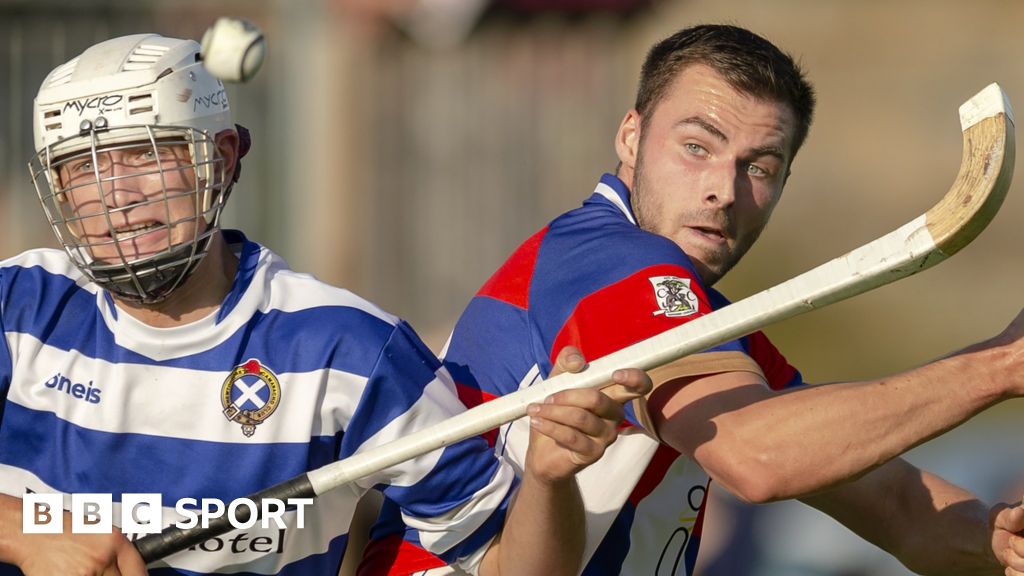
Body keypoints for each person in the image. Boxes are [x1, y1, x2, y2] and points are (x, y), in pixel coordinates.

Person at [362, 24, 1024, 576]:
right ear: (630, 137)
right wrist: (999, 366)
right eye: (696, 147)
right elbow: (755, 458)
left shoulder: (704, 321)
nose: (724, 191)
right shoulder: (615, 266)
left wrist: (995, 540)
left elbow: (900, 510)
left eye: (758, 167)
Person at [0, 33, 652, 576]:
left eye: (147, 154)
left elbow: (513, 567)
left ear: (220, 159)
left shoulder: (350, 350)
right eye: (81, 167)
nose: (117, 196)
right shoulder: (16, 305)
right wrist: (22, 533)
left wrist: (548, 478)